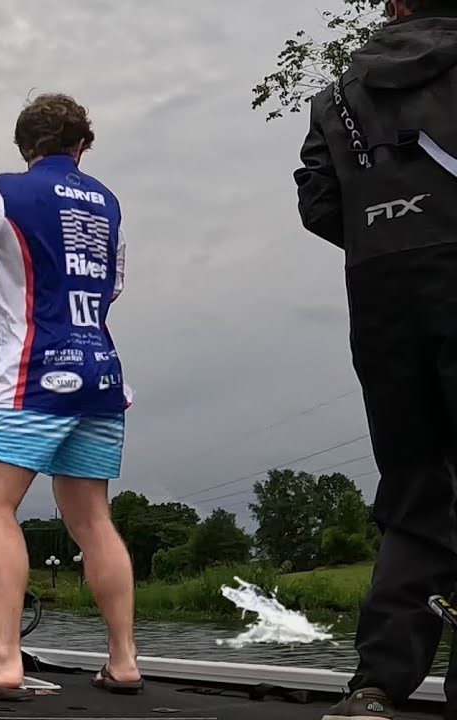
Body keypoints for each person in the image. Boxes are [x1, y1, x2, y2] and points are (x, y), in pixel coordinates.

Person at [0, 93, 142, 701]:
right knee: (92, 519)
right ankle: (123, 660)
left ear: (25, 146)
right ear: (81, 144)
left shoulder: (4, 191)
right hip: (102, 373)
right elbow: (112, 283)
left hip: (34, 373)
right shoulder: (108, 203)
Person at [292, 1, 457, 718]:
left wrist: (387, 233)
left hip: (385, 298)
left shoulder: (337, 97)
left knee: (416, 483)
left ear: (392, 9)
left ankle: (378, 684)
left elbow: (319, 202)